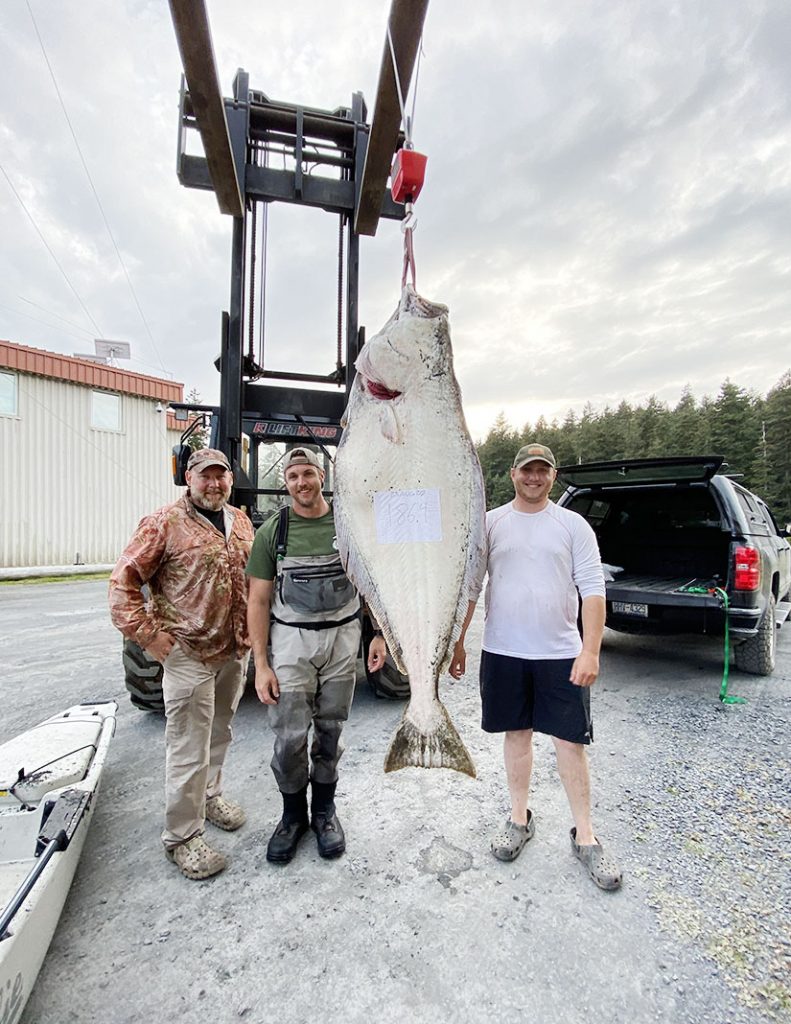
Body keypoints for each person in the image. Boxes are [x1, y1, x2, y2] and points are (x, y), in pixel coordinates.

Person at [450, 442, 622, 891]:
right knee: (517, 735)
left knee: (570, 743)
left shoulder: (572, 525)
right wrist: (458, 644)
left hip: (560, 654)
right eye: (527, 470)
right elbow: (470, 586)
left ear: (553, 475)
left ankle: (586, 836)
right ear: (512, 474)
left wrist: (590, 650)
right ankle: (518, 818)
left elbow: (594, 589)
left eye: (542, 471)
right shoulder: (491, 524)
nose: (534, 477)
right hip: (504, 650)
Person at [109, 448, 254, 881]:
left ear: (230, 480)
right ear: (188, 479)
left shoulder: (242, 522)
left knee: (220, 733)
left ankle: (210, 798)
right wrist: (149, 635)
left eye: (221, 476)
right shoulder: (162, 524)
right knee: (188, 747)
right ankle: (182, 837)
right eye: (204, 476)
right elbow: (123, 583)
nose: (214, 484)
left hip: (233, 652)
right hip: (188, 654)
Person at [246, 447, 386, 864]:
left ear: (321, 476)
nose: (301, 483)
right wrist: (262, 665)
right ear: (286, 483)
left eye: (308, 474)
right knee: (289, 736)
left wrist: (377, 633)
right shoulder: (274, 531)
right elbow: (257, 600)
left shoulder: (349, 523)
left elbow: (371, 582)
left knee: (330, 730)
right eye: (293, 477)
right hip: (292, 642)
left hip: (343, 640)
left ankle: (324, 812)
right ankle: (292, 818)